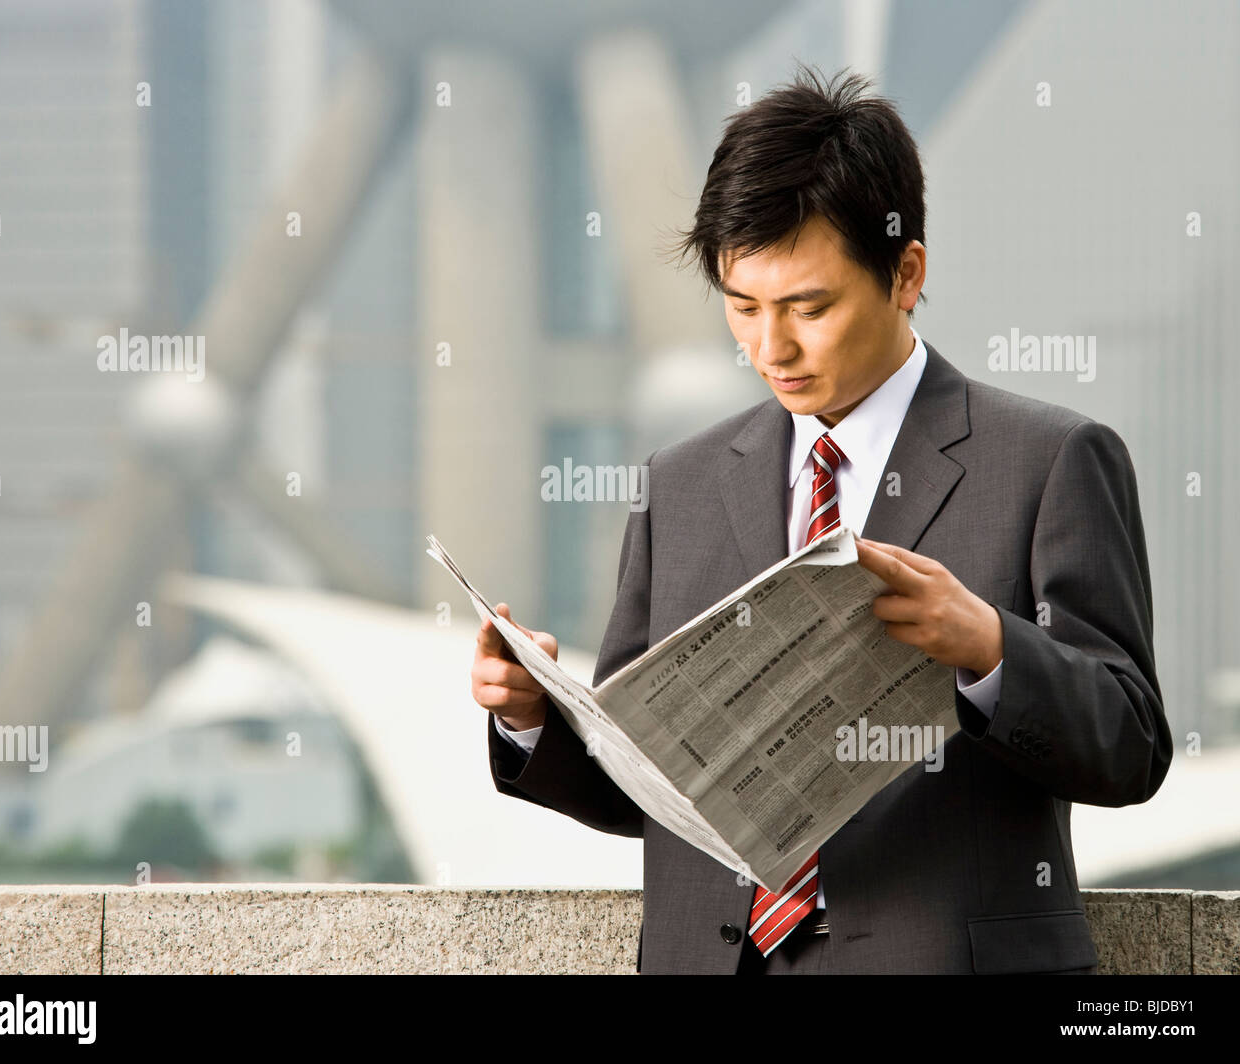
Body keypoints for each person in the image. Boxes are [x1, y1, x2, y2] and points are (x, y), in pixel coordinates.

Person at [469, 64, 1171, 974]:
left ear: (906, 273)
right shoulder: (679, 486)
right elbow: (644, 792)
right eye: (743, 307)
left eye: (810, 307)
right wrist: (535, 717)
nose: (772, 347)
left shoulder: (1049, 461)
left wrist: (990, 648)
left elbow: (1132, 746)